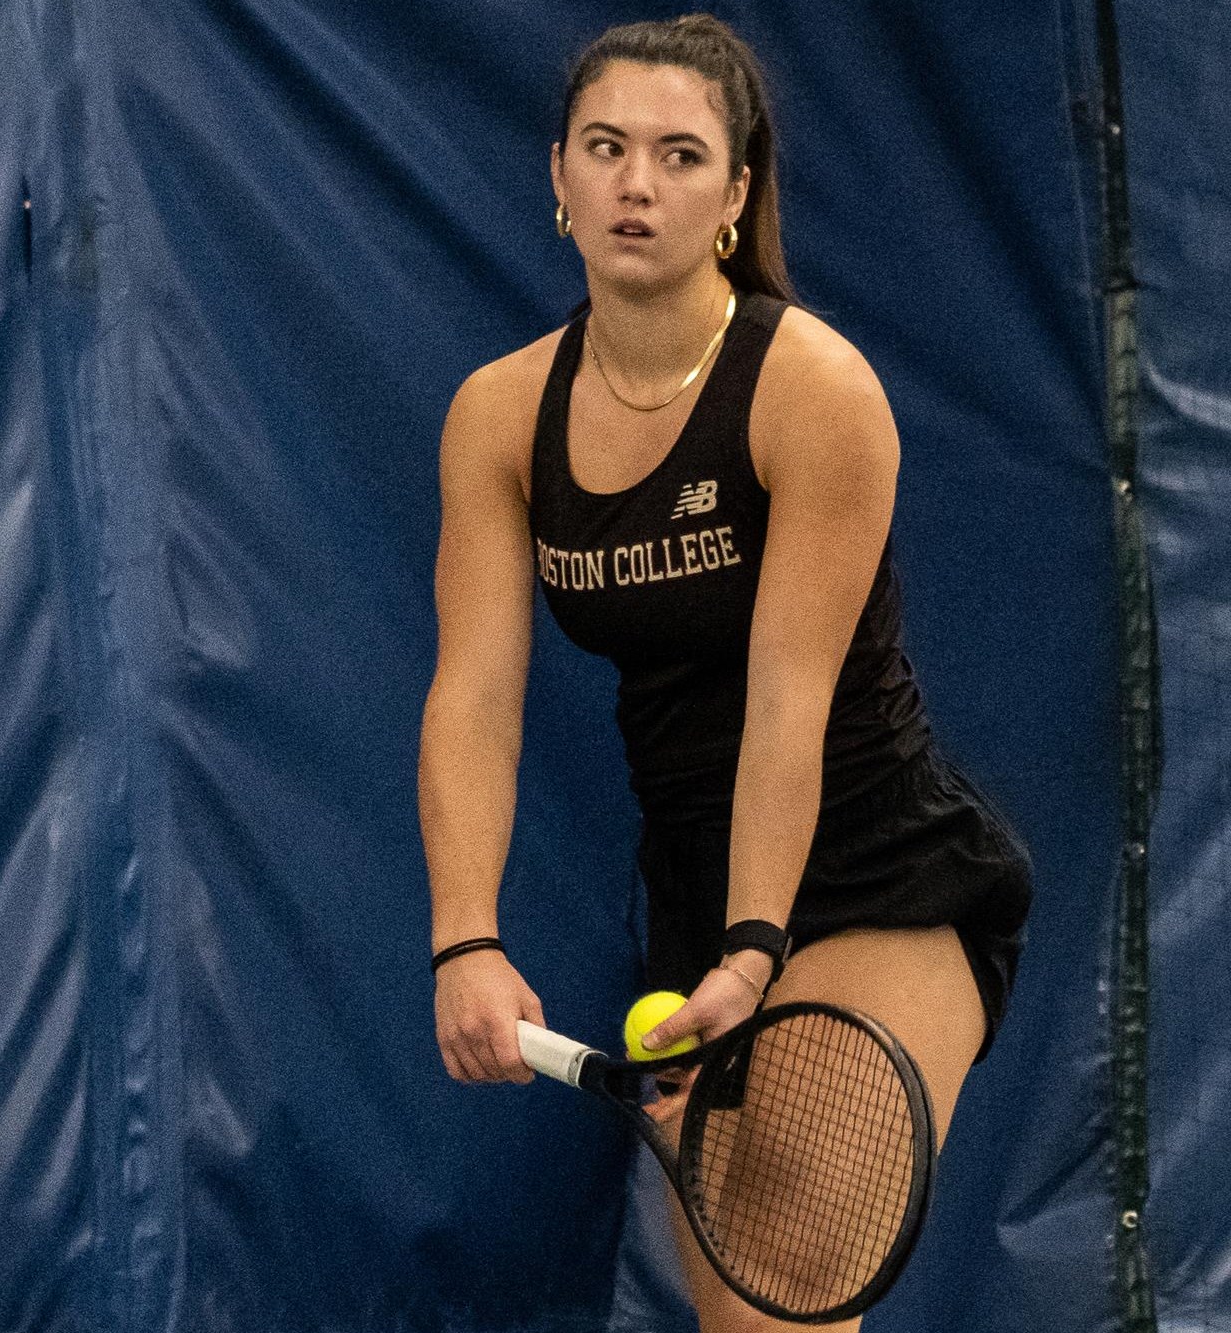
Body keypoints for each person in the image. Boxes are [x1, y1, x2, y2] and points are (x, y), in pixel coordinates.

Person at [415, 15, 1034, 1332]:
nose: (639, 183)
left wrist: (757, 950)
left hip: (876, 873)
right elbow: (472, 692)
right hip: (696, 886)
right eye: (608, 147)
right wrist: (462, 935)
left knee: (788, 1316)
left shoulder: (813, 391)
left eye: (681, 154)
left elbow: (787, 701)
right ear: (560, 180)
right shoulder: (499, 415)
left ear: (736, 196)